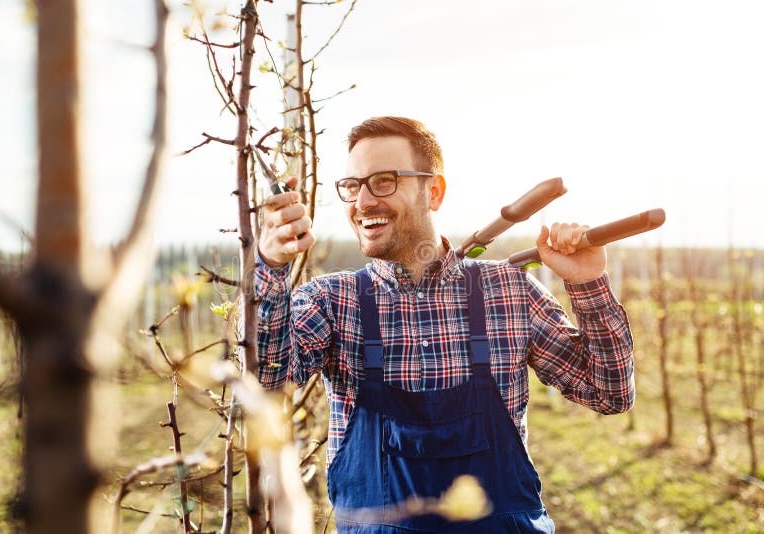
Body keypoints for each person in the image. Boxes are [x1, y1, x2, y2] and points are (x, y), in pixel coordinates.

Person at [255, 116, 634, 533]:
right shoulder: (332, 301)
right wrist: (270, 269)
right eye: (352, 185)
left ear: (433, 191)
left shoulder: (508, 291)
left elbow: (609, 392)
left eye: (383, 181)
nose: (362, 202)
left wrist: (587, 284)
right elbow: (266, 386)